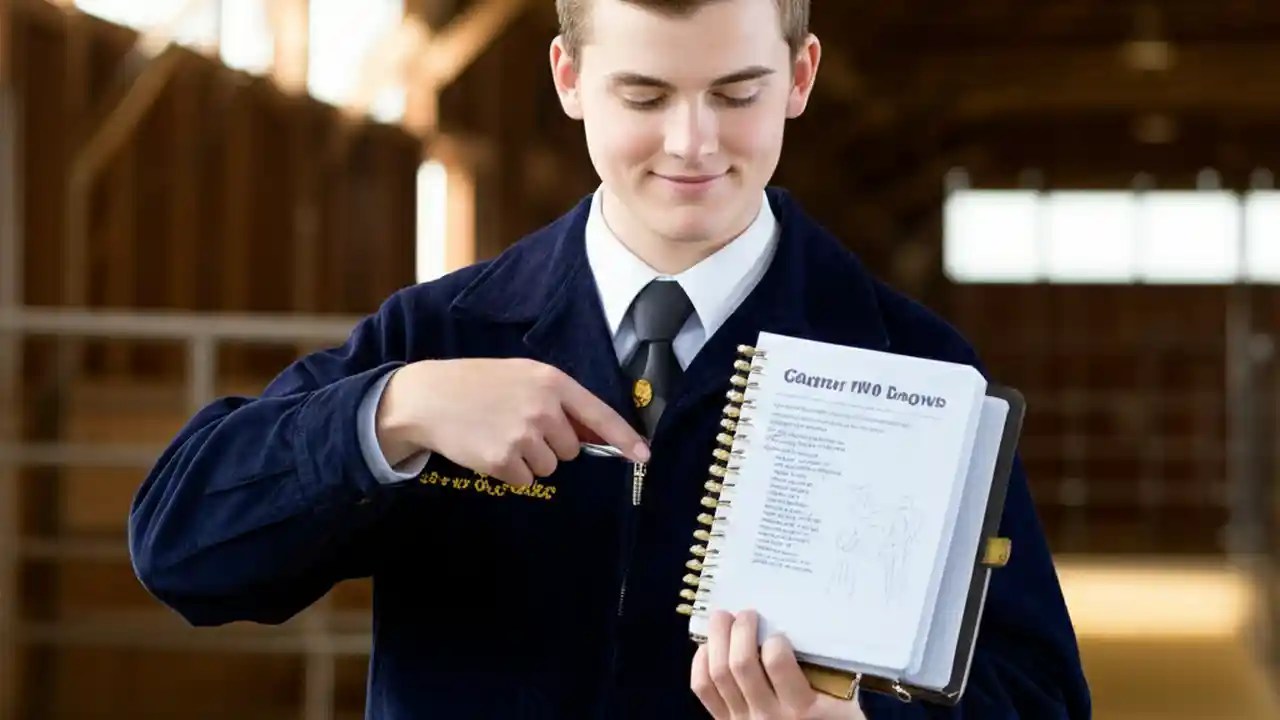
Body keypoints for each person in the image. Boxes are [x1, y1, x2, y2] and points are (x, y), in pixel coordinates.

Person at [128, 0, 1092, 718]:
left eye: (736, 93)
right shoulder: (439, 338)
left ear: (799, 77)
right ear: (568, 77)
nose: (692, 142)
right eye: (644, 94)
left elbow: (1042, 699)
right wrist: (388, 415)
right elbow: (182, 552)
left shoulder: (916, 370)